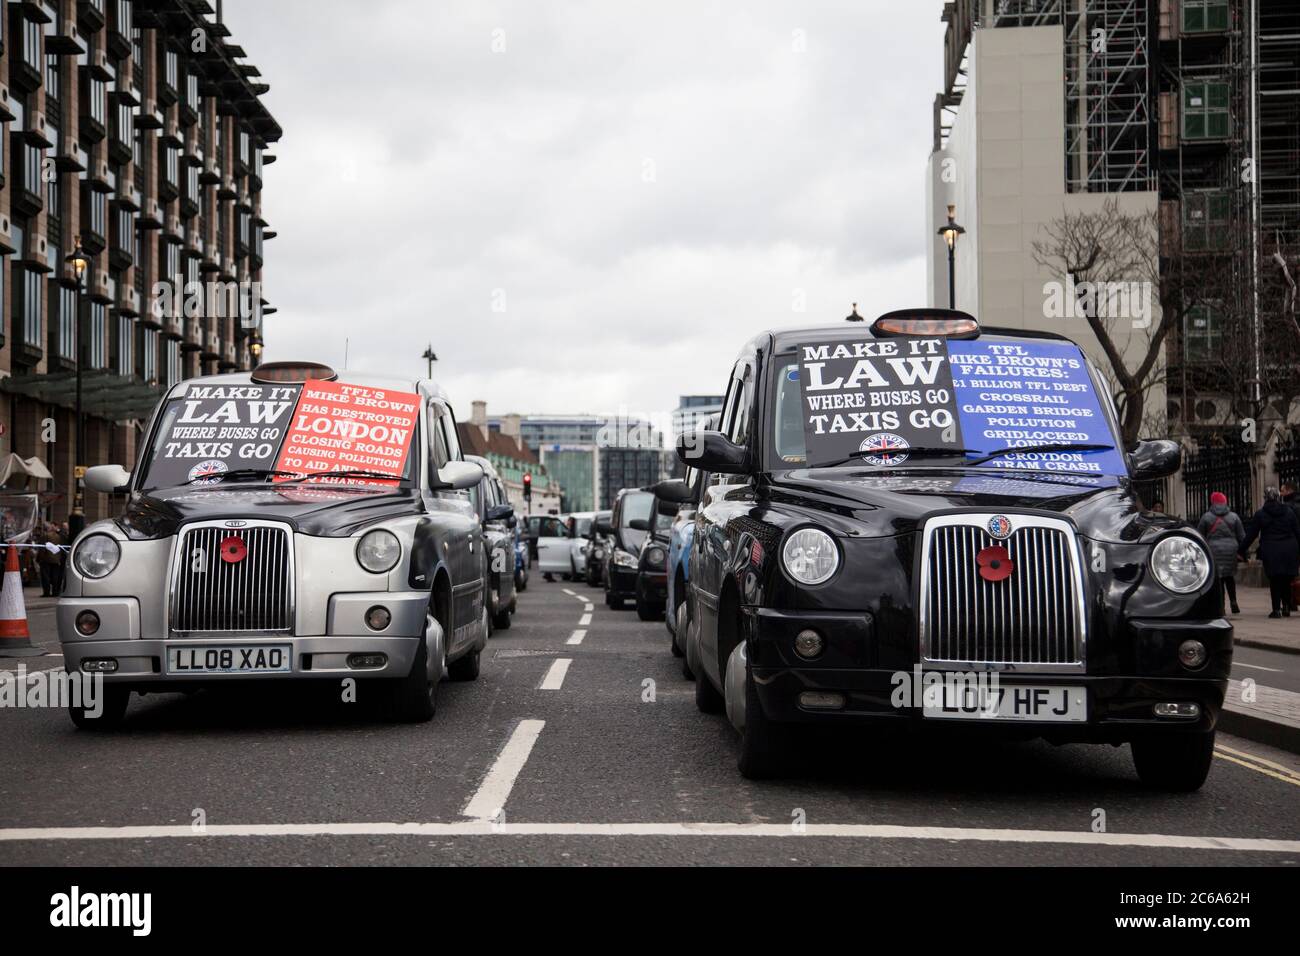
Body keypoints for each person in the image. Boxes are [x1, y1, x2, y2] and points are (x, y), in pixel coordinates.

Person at [1241, 487, 1300, 618]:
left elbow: (1251, 535)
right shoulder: (1289, 512)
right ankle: (1286, 607)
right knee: (1286, 578)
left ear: (1266, 498)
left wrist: (1241, 549)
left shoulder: (1261, 514)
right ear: (1278, 497)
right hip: (1290, 548)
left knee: (1275, 579)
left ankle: (1276, 609)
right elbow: (1297, 532)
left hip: (1271, 549)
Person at [1198, 492, 1244, 614]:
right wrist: (1243, 553)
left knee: (1219, 579)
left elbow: (1200, 535)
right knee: (1230, 577)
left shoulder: (1206, 517)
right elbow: (1241, 536)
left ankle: (1221, 606)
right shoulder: (1234, 517)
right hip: (1231, 550)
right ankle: (1234, 601)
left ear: (1212, 502)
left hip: (1213, 550)